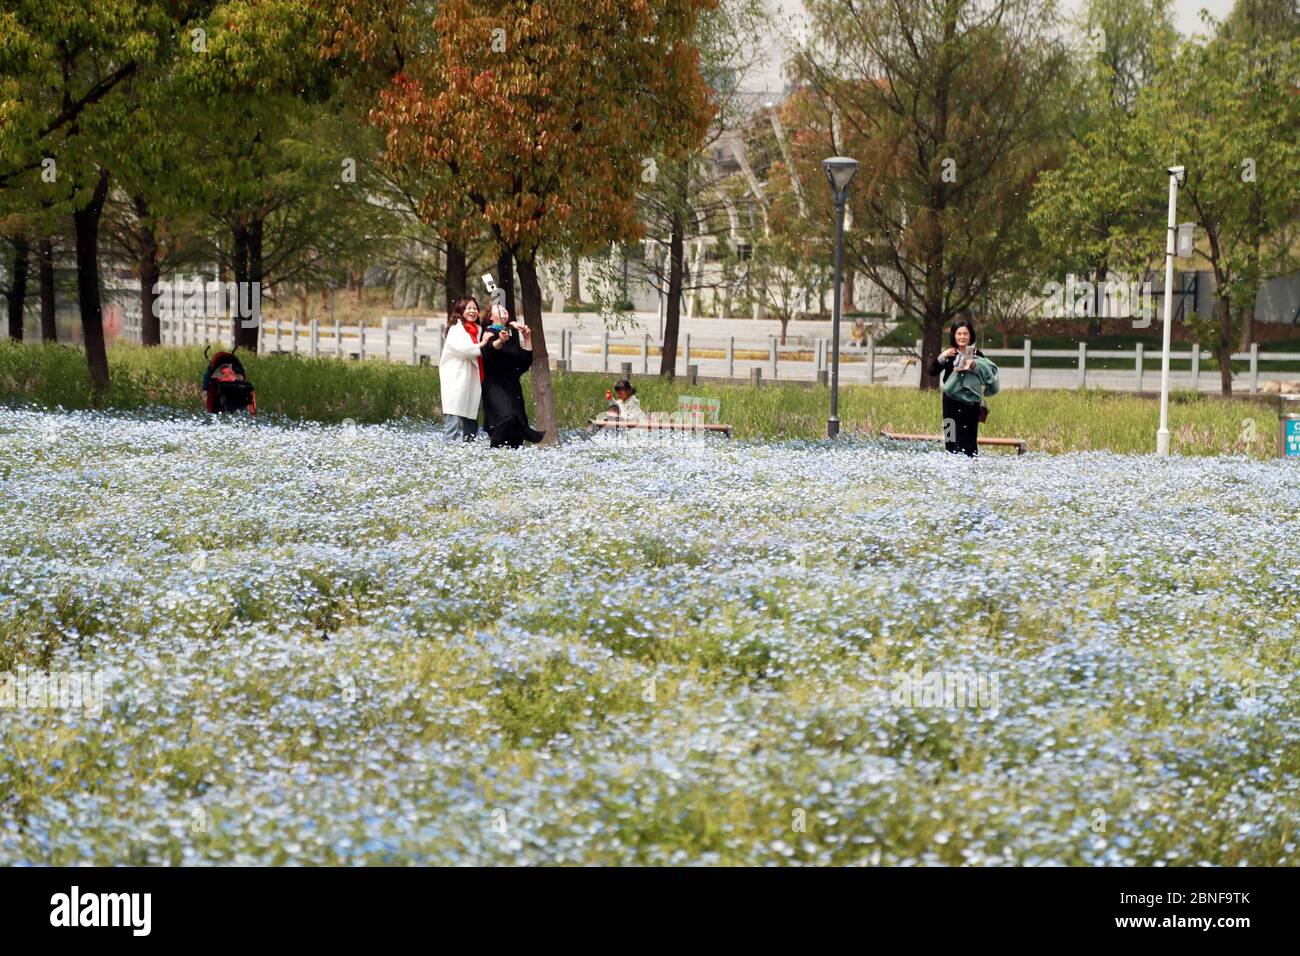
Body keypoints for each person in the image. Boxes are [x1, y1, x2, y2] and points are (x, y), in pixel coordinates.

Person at [928, 318, 999, 457]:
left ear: (970, 335)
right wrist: (942, 356)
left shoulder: (977, 354)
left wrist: (974, 366)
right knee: (950, 436)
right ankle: (951, 463)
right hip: (949, 402)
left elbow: (987, 376)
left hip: (970, 401)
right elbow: (932, 371)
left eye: (965, 334)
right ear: (954, 335)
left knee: (969, 439)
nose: (962, 337)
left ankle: (970, 467)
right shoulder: (950, 354)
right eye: (959, 333)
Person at [479, 303, 546, 448]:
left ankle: (514, 453)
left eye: (505, 308)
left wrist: (527, 338)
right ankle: (494, 449)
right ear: (490, 317)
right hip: (494, 385)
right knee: (507, 416)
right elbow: (489, 350)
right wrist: (500, 341)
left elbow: (523, 361)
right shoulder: (488, 332)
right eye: (498, 309)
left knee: (518, 423)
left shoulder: (509, 335)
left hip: (512, 386)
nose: (503, 309)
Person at [439, 297, 500, 442]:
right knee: (453, 421)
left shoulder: (477, 330)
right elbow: (464, 350)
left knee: (471, 421)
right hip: (456, 380)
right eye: (469, 308)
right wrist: (483, 343)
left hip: (473, 380)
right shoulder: (455, 329)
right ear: (461, 311)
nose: (473, 311)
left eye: (475, 308)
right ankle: (448, 455)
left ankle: (468, 452)